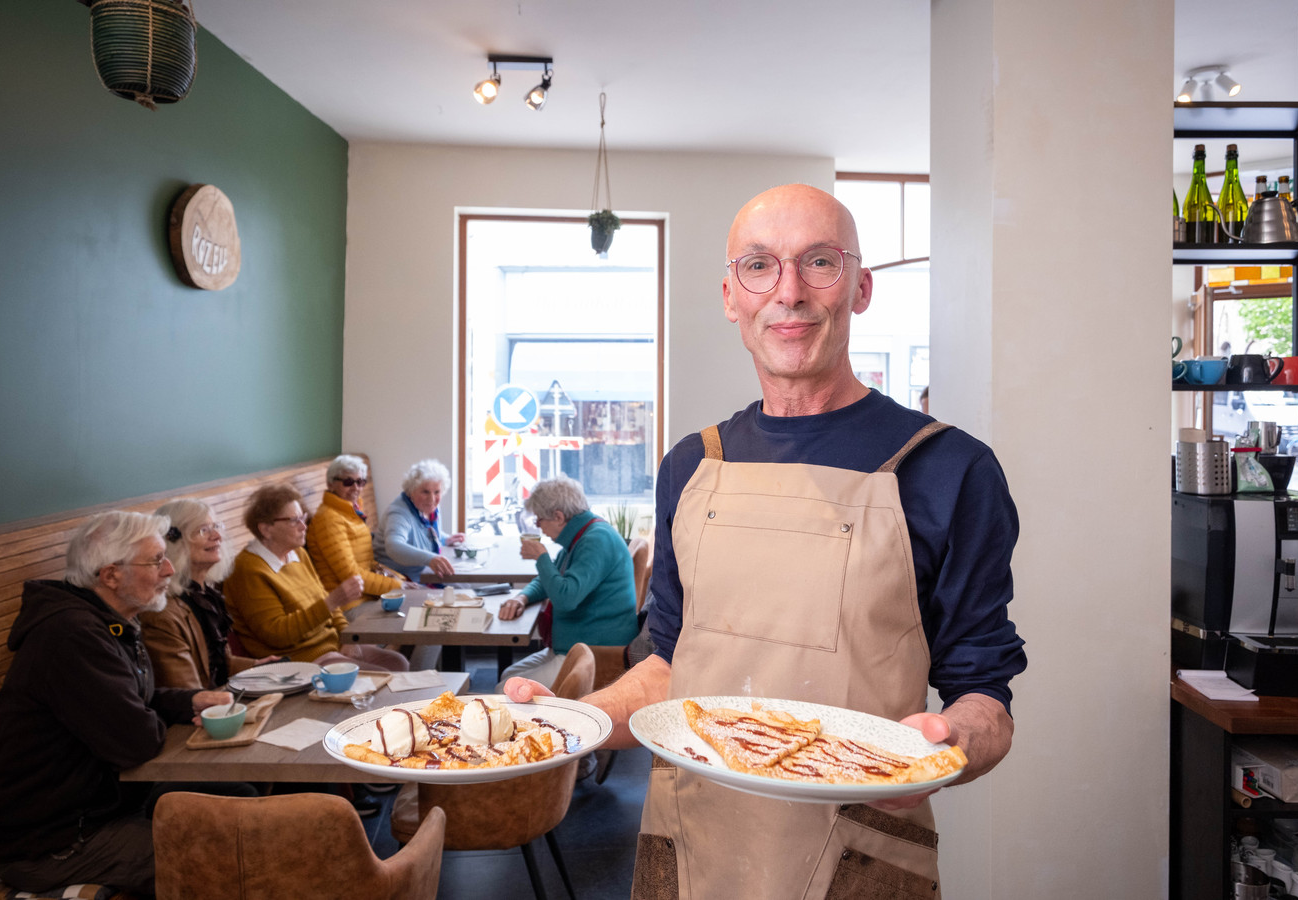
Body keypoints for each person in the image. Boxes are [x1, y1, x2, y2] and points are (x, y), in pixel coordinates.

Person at [508, 184, 1026, 899]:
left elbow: (984, 695)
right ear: (731, 296)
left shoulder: (948, 469)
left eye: (819, 262)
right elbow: (670, 666)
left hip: (856, 858)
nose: (789, 292)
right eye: (759, 266)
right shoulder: (691, 465)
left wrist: (946, 746)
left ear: (861, 288)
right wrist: (574, 719)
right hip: (686, 846)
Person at [0, 511, 231, 895]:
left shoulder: (107, 621)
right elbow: (136, 741)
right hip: (51, 842)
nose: (169, 570)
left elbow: (126, 700)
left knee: (236, 794)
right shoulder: (72, 635)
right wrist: (147, 717)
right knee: (220, 856)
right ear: (111, 575)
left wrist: (189, 701)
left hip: (104, 808)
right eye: (156, 561)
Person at [222, 483, 408, 671]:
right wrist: (332, 602)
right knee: (384, 675)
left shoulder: (298, 554)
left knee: (398, 663)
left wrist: (346, 635)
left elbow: (326, 601)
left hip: (331, 646)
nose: (303, 526)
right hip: (297, 661)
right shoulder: (248, 569)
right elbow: (277, 634)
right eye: (294, 520)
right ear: (266, 529)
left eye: (302, 517)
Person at [496, 475, 637, 688]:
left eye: (539, 520)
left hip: (594, 650)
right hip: (575, 643)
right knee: (509, 674)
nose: (538, 526)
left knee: (506, 688)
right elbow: (550, 579)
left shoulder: (595, 540)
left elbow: (566, 598)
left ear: (558, 517)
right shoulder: (583, 535)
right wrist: (522, 597)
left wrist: (541, 557)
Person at [141, 498, 276, 689]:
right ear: (174, 542)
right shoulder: (162, 615)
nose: (217, 536)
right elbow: (188, 693)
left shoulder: (205, 594)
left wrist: (259, 667)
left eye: (216, 527)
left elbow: (217, 664)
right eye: (203, 530)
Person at [305, 454, 405, 605]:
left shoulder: (351, 512)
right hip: (349, 605)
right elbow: (351, 576)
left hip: (367, 596)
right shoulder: (328, 520)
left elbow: (367, 563)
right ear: (330, 484)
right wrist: (398, 586)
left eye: (360, 482)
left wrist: (399, 579)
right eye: (348, 482)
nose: (356, 488)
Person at [373, 459, 465, 581]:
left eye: (437, 492)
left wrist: (444, 539)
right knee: (460, 588)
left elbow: (424, 534)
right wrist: (430, 559)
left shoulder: (429, 509)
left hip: (423, 574)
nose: (432, 499)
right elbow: (393, 547)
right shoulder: (399, 513)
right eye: (425, 492)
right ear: (411, 491)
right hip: (398, 579)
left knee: (465, 586)